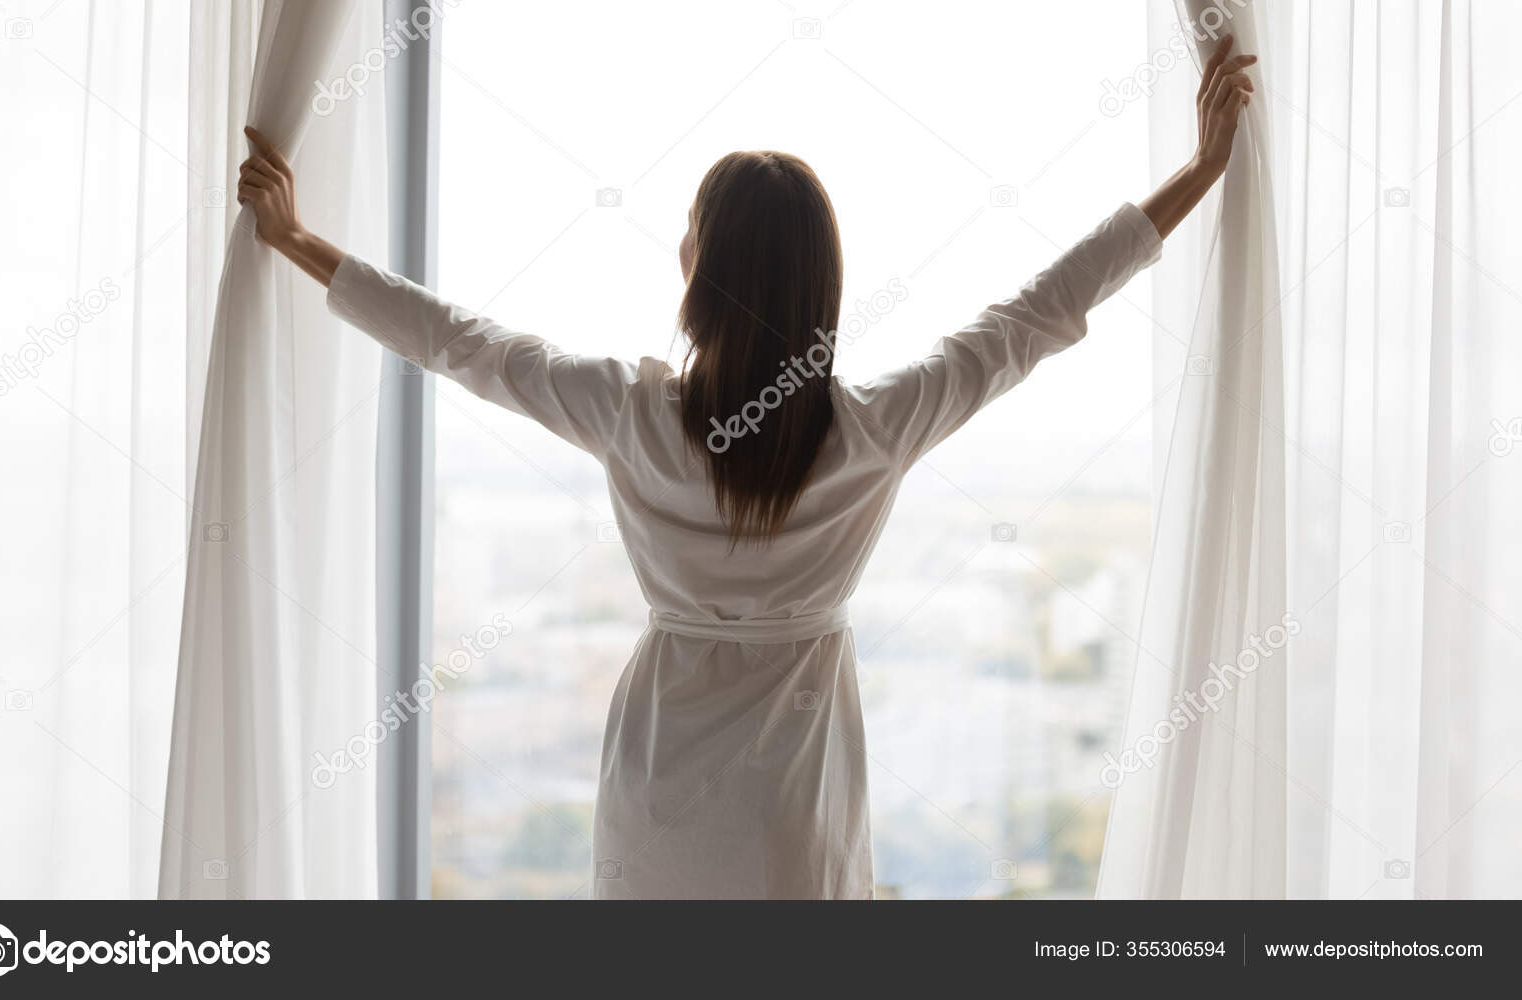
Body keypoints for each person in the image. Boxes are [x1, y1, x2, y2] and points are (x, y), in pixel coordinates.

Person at [236, 38, 1256, 899]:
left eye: (688, 234)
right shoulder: (875, 430)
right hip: (793, 820)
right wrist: (1201, 171)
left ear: (701, 273)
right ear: (821, 285)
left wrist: (294, 239)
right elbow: (1040, 312)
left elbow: (458, 341)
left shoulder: (631, 415)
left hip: (654, 797)